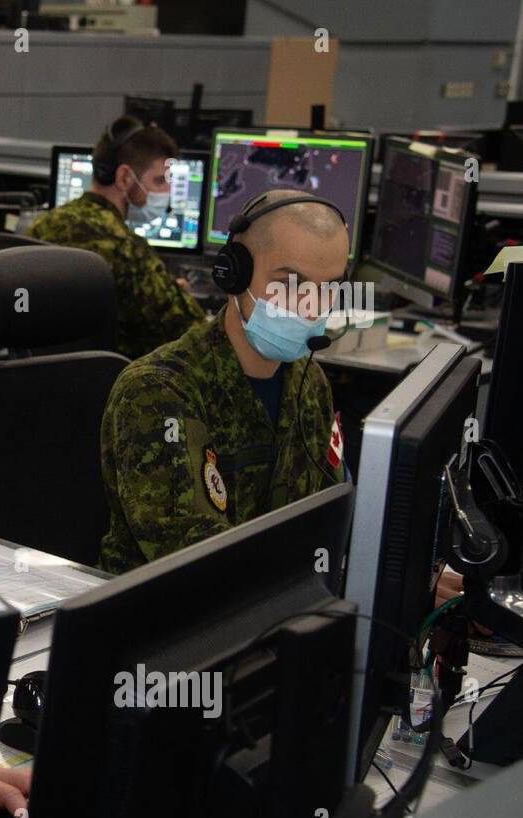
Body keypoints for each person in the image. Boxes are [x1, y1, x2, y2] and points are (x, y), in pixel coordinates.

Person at [98, 189, 351, 574]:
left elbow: (327, 517)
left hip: (279, 607)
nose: (311, 306)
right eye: (290, 283)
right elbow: (197, 563)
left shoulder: (308, 381)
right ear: (234, 275)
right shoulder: (158, 392)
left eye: (328, 287)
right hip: (165, 619)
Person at [28, 116, 206, 359]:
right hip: (111, 386)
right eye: (160, 180)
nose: (167, 193)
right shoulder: (127, 249)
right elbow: (194, 333)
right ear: (124, 178)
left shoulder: (40, 228)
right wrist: (177, 295)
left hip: (39, 378)